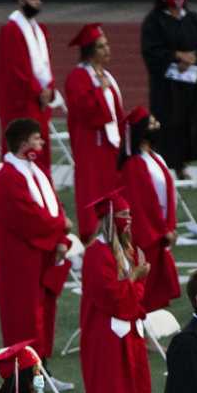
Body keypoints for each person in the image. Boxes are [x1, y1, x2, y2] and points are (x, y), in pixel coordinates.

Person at [0, 118, 70, 356]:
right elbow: (27, 216)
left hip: (42, 250)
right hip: (20, 256)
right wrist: (60, 226)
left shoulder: (36, 170)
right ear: (24, 143)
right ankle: (27, 375)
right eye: (36, 138)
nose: (42, 141)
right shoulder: (7, 177)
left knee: (45, 311)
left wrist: (60, 240)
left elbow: (53, 204)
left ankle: (42, 371)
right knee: (25, 314)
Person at [79, 192, 153, 393]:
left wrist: (136, 279)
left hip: (124, 330)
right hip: (105, 334)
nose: (129, 219)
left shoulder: (123, 249)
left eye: (130, 214)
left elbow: (134, 297)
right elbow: (111, 296)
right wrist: (136, 277)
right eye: (123, 215)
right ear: (110, 219)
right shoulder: (97, 253)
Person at [139, 0, 197, 175]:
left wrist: (194, 57)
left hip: (192, 81)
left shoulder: (192, 18)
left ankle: (182, 164)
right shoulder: (154, 20)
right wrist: (177, 56)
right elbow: (151, 50)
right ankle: (163, 163)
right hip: (167, 85)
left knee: (190, 121)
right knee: (168, 123)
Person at [66, 24, 127, 239]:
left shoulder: (106, 75)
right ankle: (92, 239)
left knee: (114, 189)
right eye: (101, 46)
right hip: (91, 145)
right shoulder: (78, 77)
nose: (107, 50)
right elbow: (86, 113)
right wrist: (99, 91)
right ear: (90, 51)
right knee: (93, 192)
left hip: (111, 144)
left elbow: (117, 112)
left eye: (107, 45)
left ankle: (115, 233)